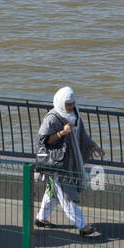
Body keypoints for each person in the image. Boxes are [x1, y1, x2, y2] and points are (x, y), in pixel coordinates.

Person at [35, 86, 103, 238]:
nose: (70, 107)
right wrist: (61, 133)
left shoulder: (75, 114)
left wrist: (94, 146)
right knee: (67, 194)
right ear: (60, 102)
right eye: (67, 104)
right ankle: (82, 226)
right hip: (58, 165)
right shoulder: (52, 118)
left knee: (53, 193)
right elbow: (43, 141)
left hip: (72, 162)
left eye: (72, 103)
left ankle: (41, 218)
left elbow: (83, 134)